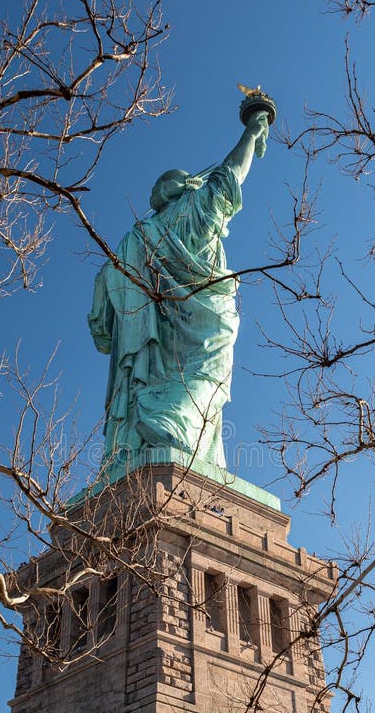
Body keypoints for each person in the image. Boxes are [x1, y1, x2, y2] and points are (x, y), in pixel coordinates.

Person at [88, 109, 270, 475]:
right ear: (185, 187)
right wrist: (251, 133)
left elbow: (102, 329)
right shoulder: (198, 206)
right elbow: (231, 172)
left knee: (179, 384)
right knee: (208, 377)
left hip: (156, 337)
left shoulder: (134, 240)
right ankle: (173, 428)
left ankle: (167, 431)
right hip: (210, 317)